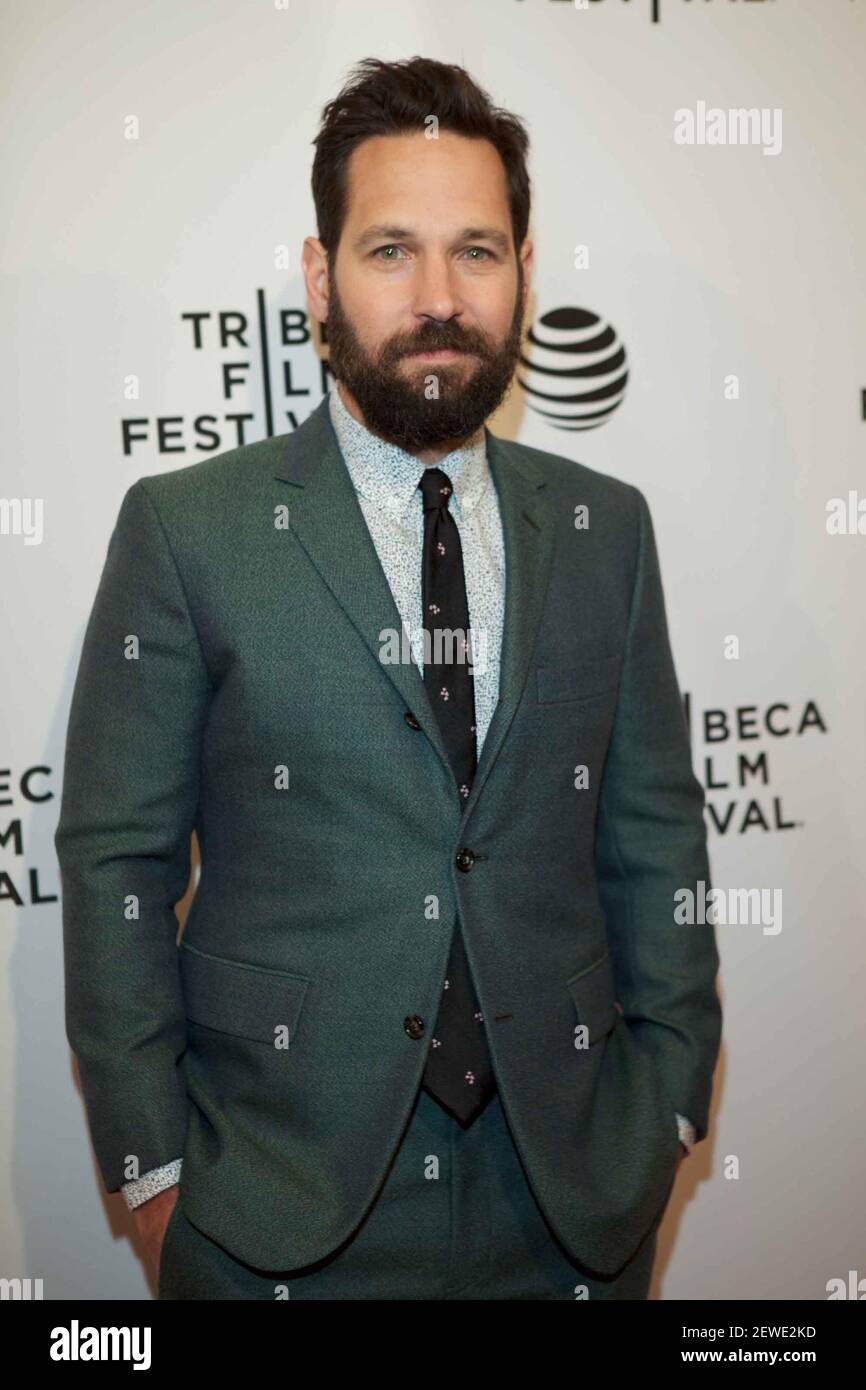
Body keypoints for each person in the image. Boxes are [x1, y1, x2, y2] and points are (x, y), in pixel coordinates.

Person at [55, 55, 722, 1301]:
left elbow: (653, 835)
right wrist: (155, 1182)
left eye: (476, 251)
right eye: (388, 250)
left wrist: (671, 1101)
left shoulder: (602, 527)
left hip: (573, 1198)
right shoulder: (187, 529)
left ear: (525, 271)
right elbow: (113, 866)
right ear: (320, 277)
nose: (436, 297)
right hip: (276, 1205)